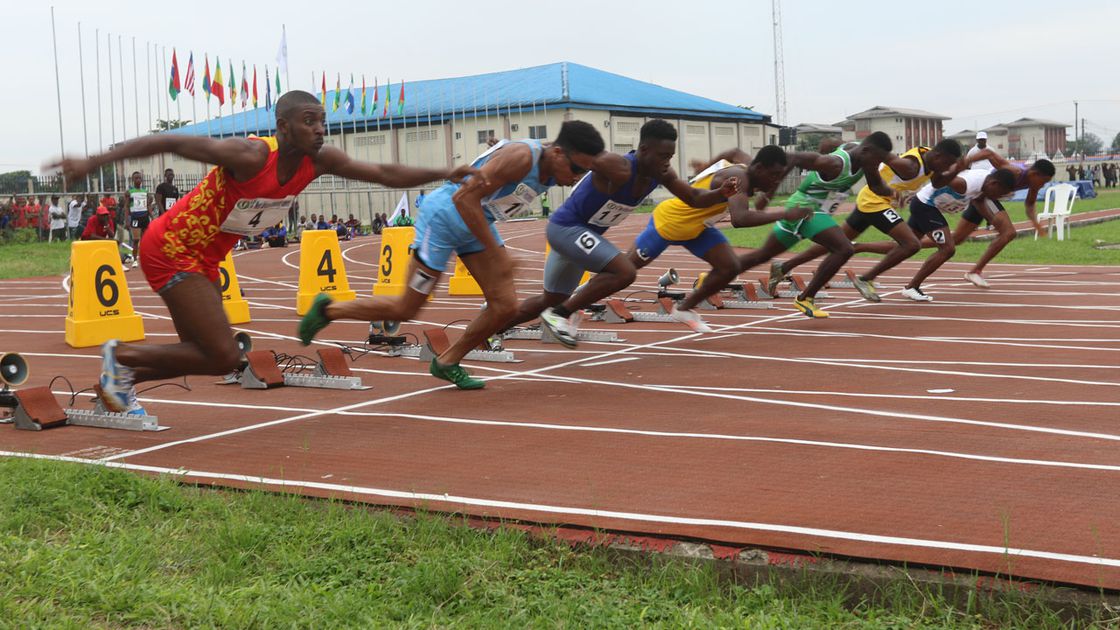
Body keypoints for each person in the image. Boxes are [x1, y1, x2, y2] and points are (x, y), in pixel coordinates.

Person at [50, 89, 479, 414]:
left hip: (206, 258)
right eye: (309, 121)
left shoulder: (320, 160)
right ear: (282, 126)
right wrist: (93, 162)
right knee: (223, 354)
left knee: (207, 354)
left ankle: (120, 376)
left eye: (322, 121)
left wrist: (445, 171)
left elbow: (383, 171)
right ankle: (121, 356)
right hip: (172, 247)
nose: (319, 129)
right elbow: (171, 143)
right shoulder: (251, 155)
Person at [299, 120, 605, 390]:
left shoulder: (551, 160)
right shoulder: (523, 158)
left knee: (505, 306)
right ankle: (328, 310)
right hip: (444, 219)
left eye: (585, 172)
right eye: (577, 169)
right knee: (406, 308)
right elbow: (463, 198)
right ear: (558, 152)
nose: (576, 178)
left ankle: (447, 361)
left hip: (476, 221)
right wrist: (496, 253)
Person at [499, 119, 738, 343]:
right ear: (644, 150)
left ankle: (492, 328)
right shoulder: (619, 166)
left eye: (670, 157)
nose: (667, 162)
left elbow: (694, 197)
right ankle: (560, 315)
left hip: (581, 239)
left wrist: (720, 193)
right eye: (663, 156)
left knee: (551, 298)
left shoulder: (661, 174)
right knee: (624, 271)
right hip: (566, 229)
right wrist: (523, 148)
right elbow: (577, 150)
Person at [774, 140, 965, 301]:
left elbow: (937, 182)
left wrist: (955, 170)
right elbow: (888, 159)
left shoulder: (931, 160)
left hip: (870, 200)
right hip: (875, 202)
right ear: (938, 156)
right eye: (947, 164)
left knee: (835, 243)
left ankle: (783, 267)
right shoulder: (910, 165)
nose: (947, 168)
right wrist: (867, 152)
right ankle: (866, 278)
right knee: (911, 244)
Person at [738, 132, 895, 318]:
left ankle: (720, 274)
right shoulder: (834, 163)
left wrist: (895, 192)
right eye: (877, 160)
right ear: (866, 151)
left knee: (761, 255)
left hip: (814, 211)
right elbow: (793, 157)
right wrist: (768, 194)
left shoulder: (865, 159)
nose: (877, 164)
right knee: (844, 248)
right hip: (805, 207)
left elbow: (876, 186)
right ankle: (805, 298)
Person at [898, 167, 1018, 301]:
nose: (997, 198)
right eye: (999, 194)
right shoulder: (964, 184)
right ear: (994, 184)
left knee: (907, 246)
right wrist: (911, 188)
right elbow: (938, 175)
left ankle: (876, 270)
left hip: (926, 205)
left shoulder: (985, 183)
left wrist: (991, 219)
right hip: (925, 205)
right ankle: (912, 287)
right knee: (947, 249)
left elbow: (978, 200)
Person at [955, 158, 1055, 287]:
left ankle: (925, 242)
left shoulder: (1033, 183)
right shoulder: (1016, 172)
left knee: (956, 239)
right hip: (984, 194)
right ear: (1035, 174)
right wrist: (966, 162)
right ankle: (975, 271)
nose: (1043, 186)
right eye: (1044, 182)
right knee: (1008, 232)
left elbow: (1030, 204)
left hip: (982, 198)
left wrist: (1036, 223)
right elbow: (989, 154)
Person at [124, 171, 151, 268]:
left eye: (140, 178)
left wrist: (152, 216)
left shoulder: (145, 191)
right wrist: (127, 220)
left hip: (145, 217)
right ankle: (135, 260)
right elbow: (126, 206)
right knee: (136, 239)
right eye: (136, 178)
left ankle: (145, 259)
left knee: (145, 240)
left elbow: (148, 205)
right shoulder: (129, 192)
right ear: (133, 180)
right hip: (135, 217)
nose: (138, 180)